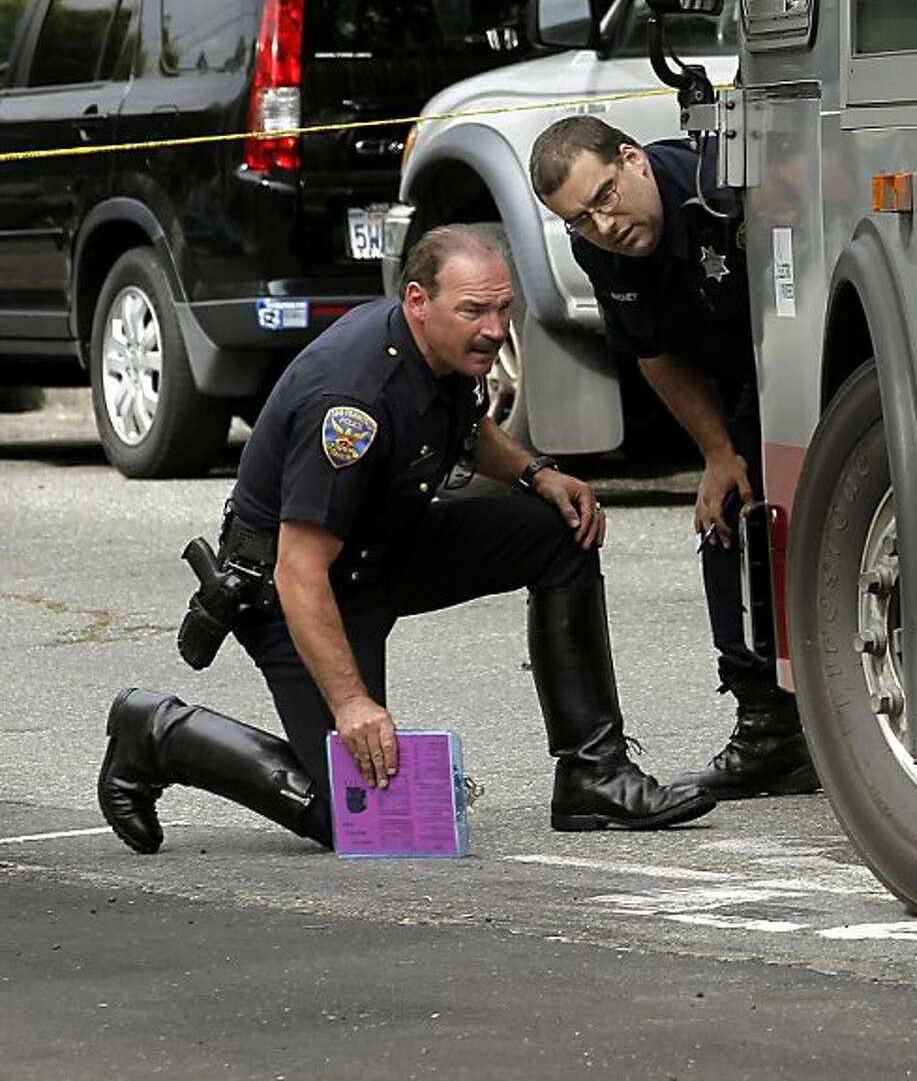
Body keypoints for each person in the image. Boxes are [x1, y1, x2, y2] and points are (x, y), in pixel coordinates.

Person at [98, 226, 715, 853]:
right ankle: (157, 733)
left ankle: (594, 773)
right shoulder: (351, 402)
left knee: (559, 530)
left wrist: (537, 473)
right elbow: (299, 571)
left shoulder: (444, 349)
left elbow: (465, 428)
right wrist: (352, 705)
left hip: (386, 548)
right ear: (418, 301)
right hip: (301, 593)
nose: (495, 329)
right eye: (474, 310)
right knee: (358, 817)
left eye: (503, 308)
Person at [527, 116, 817, 801]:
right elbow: (653, 350)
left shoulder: (728, 188)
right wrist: (717, 453)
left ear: (632, 160)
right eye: (580, 220)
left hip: (823, 349)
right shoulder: (600, 250)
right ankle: (770, 731)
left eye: (604, 197)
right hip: (750, 378)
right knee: (728, 511)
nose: (603, 225)